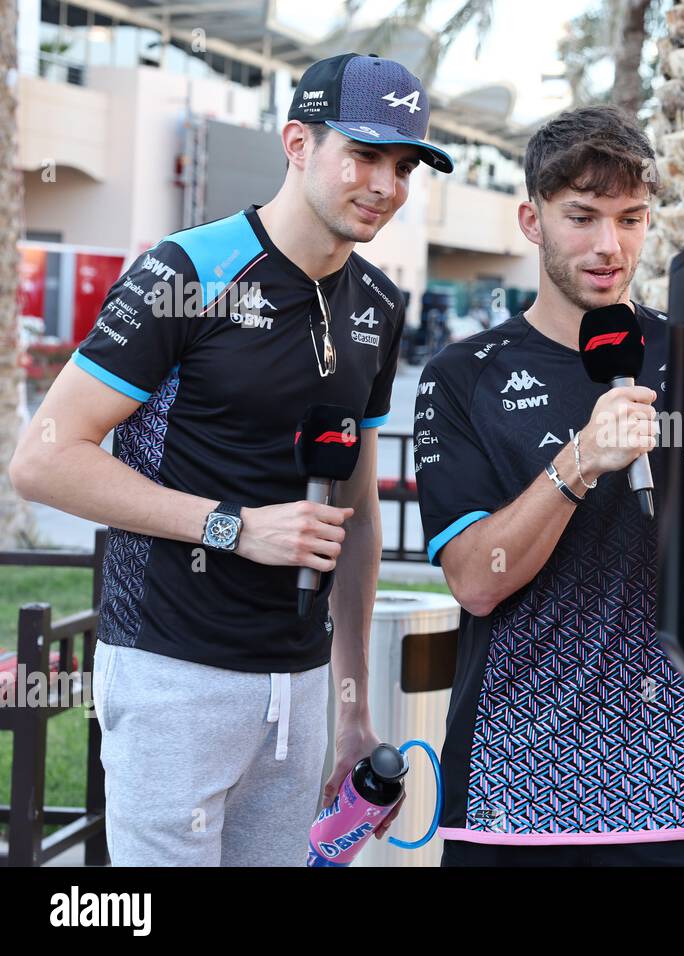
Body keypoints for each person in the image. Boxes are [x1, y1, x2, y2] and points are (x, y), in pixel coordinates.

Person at [8, 53, 453, 865]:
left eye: (403, 165)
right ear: (296, 143)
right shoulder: (184, 270)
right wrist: (233, 528)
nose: (385, 185)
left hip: (303, 685)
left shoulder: (381, 304)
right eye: (362, 154)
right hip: (171, 671)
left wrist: (352, 702)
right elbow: (43, 461)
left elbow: (348, 512)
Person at [414, 106, 684, 866]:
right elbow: (473, 582)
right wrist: (577, 463)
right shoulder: (462, 375)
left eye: (630, 218)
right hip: (510, 789)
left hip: (670, 786)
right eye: (581, 216)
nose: (607, 246)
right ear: (532, 219)